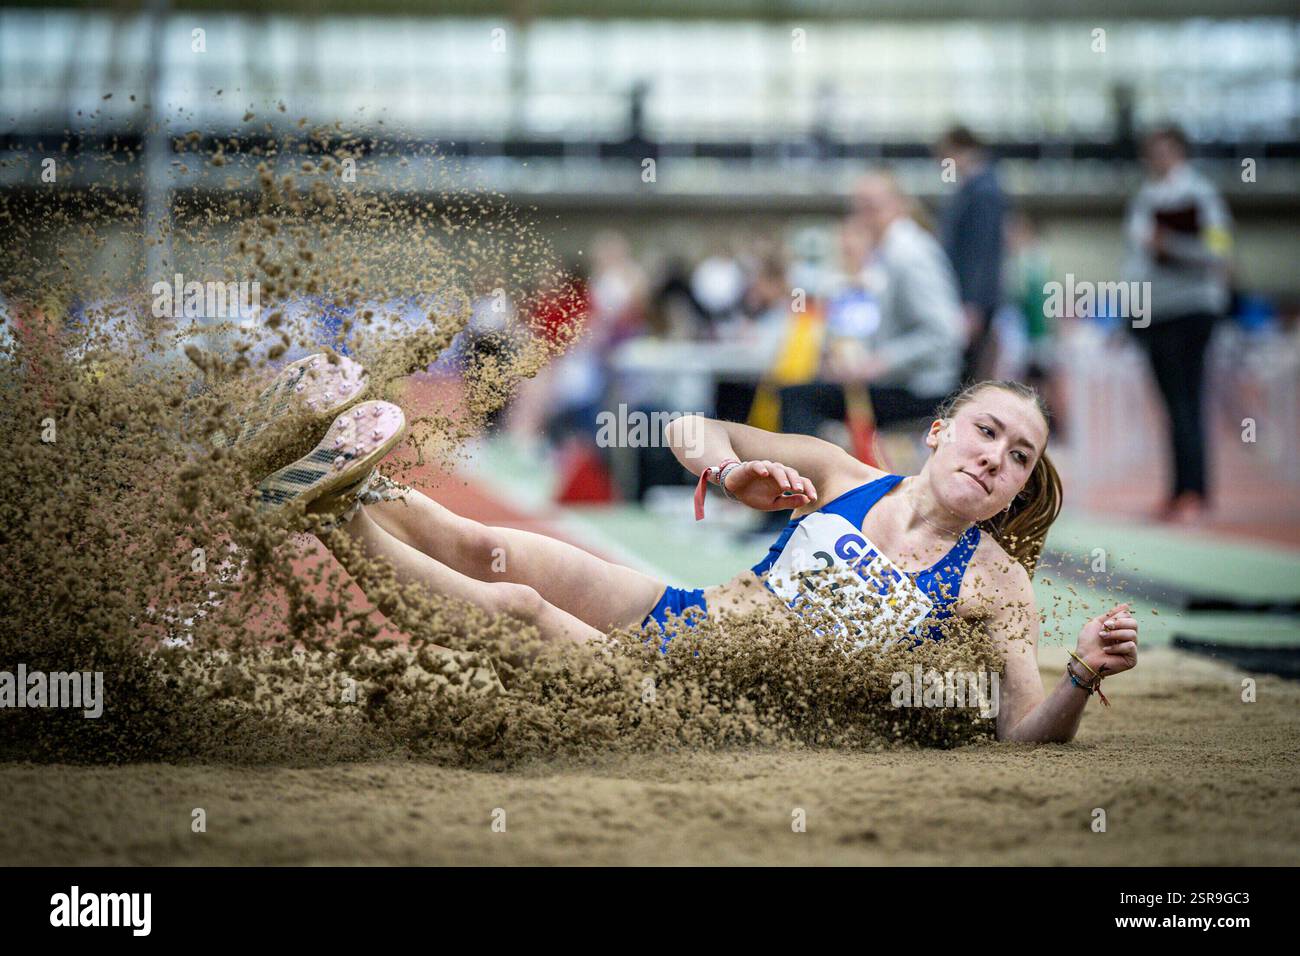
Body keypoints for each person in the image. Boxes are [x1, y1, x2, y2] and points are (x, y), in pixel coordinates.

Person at [254, 371, 1139, 744]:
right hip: (680, 613)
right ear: (942, 432)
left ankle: (327, 513)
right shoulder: (844, 474)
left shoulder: (998, 583)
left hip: (695, 697)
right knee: (487, 549)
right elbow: (688, 425)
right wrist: (728, 467)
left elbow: (1020, 733)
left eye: (1018, 457)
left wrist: (1078, 680)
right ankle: (339, 478)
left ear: (1020, 489)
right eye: (987, 431)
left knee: (520, 613)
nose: (995, 458)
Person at [778, 173, 964, 442]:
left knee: (798, 398)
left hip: (922, 389)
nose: (864, 215)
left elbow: (944, 334)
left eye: (873, 206)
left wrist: (878, 363)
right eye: (859, 207)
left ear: (899, 205)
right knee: (808, 389)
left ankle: (800, 481)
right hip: (902, 381)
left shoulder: (909, 254)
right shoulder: (888, 253)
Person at [1123, 125, 1232, 524]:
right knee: (1171, 408)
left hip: (1192, 310)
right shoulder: (1143, 199)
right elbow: (1133, 262)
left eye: (1166, 151)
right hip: (1155, 313)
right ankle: (1177, 490)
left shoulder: (1202, 194)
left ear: (1181, 153)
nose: (1159, 159)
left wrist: (1173, 245)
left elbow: (1221, 248)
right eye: (1153, 151)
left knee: (1189, 402)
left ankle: (1195, 492)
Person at [936, 125, 1007, 382]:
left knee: (966, 376)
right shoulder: (970, 189)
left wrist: (973, 305)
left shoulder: (983, 192)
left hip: (971, 301)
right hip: (965, 298)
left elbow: (982, 251)